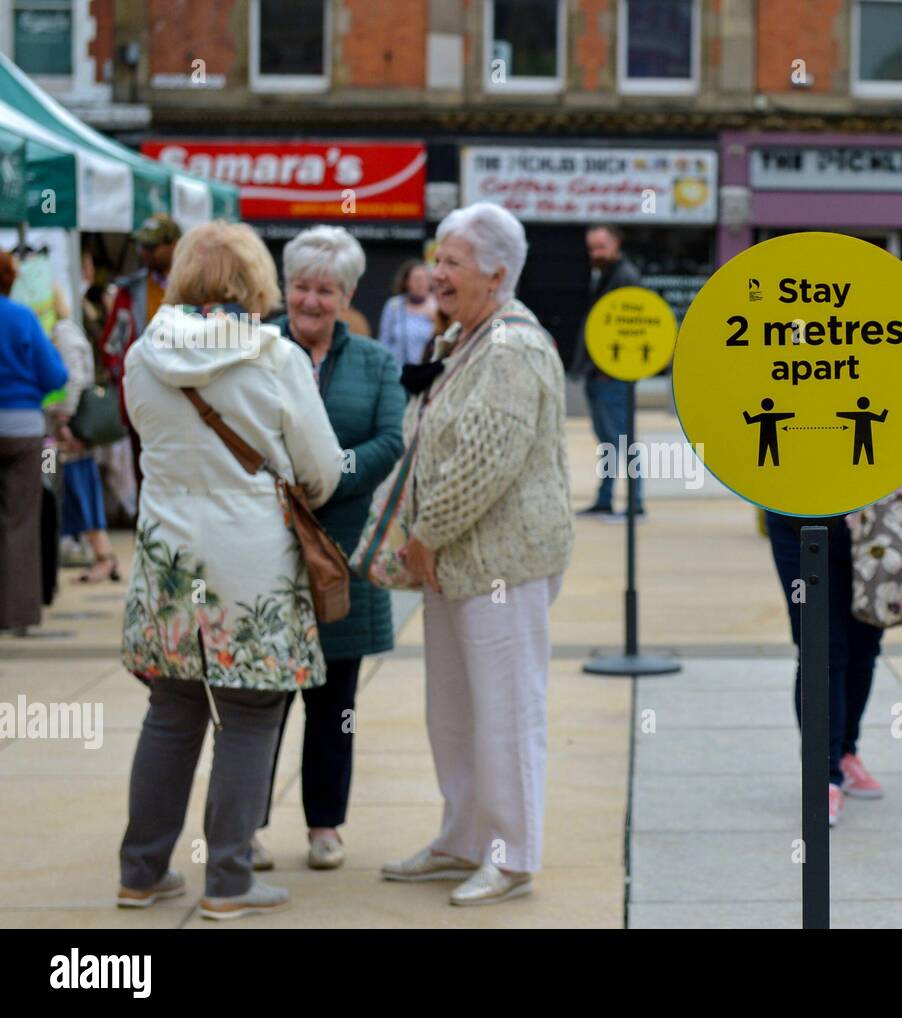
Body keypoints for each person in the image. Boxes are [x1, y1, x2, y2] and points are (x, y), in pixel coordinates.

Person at [117, 221, 343, 920]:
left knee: (171, 711)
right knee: (249, 717)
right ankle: (229, 878)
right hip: (251, 562)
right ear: (256, 284)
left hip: (168, 558)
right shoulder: (274, 356)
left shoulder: (141, 353)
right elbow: (322, 470)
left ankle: (142, 871)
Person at [381, 202, 575, 906]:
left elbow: (483, 463)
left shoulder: (511, 347)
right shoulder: (465, 339)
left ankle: (511, 855)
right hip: (453, 562)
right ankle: (462, 838)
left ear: (497, 274)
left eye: (452, 263)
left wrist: (423, 537)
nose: (436, 274)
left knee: (506, 711)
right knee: (455, 713)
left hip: (500, 565)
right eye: (437, 260)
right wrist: (422, 541)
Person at [257, 225, 405, 872]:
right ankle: (246, 824)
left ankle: (325, 825)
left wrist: (330, 476)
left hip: (339, 551)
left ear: (347, 295)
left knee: (333, 701)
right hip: (261, 545)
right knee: (258, 696)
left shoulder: (374, 362)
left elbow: (389, 438)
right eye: (300, 286)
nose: (310, 301)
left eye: (325, 289)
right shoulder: (253, 349)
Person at [765, 510, 886, 827]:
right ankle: (824, 775)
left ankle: (845, 753)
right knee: (819, 646)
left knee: (865, 642)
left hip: (876, 518)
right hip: (796, 514)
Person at [0, 250, 68, 634]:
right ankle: (18, 615)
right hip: (23, 428)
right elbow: (55, 375)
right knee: (21, 521)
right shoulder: (24, 319)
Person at [101, 214, 183, 485]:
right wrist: (121, 373)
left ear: (174, 246)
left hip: (187, 399)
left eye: (152, 246)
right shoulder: (130, 290)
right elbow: (112, 343)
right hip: (143, 397)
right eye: (142, 246)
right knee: (146, 476)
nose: (143, 252)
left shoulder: (194, 287)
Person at [569, 223, 643, 518]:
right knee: (611, 441)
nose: (595, 254)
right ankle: (606, 497)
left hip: (611, 374)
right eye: (591, 249)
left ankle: (633, 501)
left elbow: (625, 328)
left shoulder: (623, 278)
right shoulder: (607, 275)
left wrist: (609, 367)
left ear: (616, 244)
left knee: (620, 441)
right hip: (602, 372)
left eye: (601, 247)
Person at [47, 288, 118, 583]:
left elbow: (75, 377)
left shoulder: (63, 332)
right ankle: (102, 556)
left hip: (67, 430)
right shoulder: (62, 330)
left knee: (78, 486)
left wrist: (65, 417)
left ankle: (104, 556)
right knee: (73, 487)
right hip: (60, 431)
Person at [378, 259, 439, 367]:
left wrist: (437, 320)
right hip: (398, 373)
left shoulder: (437, 305)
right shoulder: (394, 305)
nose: (421, 283)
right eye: (417, 279)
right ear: (406, 282)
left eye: (425, 279)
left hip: (427, 372)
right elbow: (384, 341)